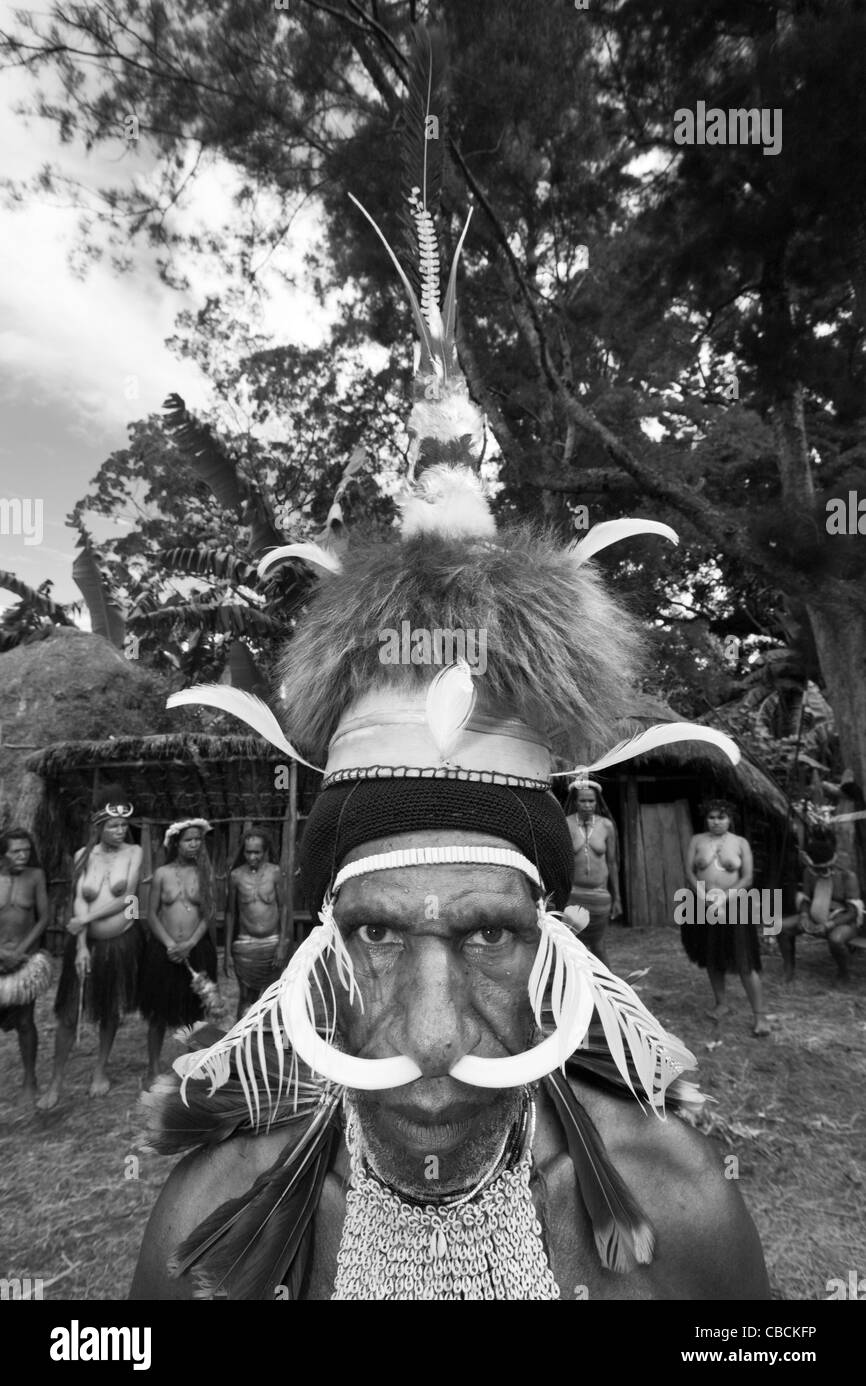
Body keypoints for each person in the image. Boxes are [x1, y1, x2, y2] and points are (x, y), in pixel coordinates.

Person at [129, 83, 768, 1300]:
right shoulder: (211, 1237)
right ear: (316, 954)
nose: (430, 1040)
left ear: (559, 954)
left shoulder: (680, 1214)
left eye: (487, 932)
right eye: (374, 931)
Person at [37, 789, 143, 1110]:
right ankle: (56, 1080)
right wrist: (81, 945)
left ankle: (100, 1069)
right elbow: (79, 899)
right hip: (85, 943)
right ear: (98, 826)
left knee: (110, 1009)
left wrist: (87, 918)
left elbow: (130, 901)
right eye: (113, 825)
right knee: (70, 1012)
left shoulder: (134, 852)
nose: (120, 830)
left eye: (123, 825)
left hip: (120, 943)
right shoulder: (83, 854)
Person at [681, 800, 770, 1037]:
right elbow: (689, 871)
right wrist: (702, 896)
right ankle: (721, 1003)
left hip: (734, 904)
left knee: (744, 960)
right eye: (711, 817)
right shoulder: (697, 840)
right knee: (712, 955)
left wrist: (723, 900)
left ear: (730, 819)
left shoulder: (740, 843)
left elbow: (747, 879)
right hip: (703, 903)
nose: (716, 821)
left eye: (721, 817)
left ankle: (759, 1016)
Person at [141, 819, 219, 1083]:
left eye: (198, 839)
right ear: (176, 843)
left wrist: (190, 943)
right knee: (158, 1012)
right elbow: (151, 914)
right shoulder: (161, 873)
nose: (194, 844)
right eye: (188, 839)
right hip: (164, 951)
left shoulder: (205, 873)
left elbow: (209, 913)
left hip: (196, 949)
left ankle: (190, 1065)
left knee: (194, 1012)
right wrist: (169, 944)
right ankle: (152, 1067)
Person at [0, 828, 50, 1103]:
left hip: (24, 962)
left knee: (25, 1021)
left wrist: (19, 952)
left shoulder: (35, 877)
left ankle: (30, 1079)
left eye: (26, 850)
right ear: (2, 854)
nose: (23, 855)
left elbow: (43, 918)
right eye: (16, 851)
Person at [777, 827, 863, 984]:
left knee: (836, 939)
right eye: (814, 868)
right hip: (814, 915)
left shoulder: (847, 876)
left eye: (820, 868)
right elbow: (805, 898)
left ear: (830, 864)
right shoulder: (810, 872)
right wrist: (804, 915)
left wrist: (829, 924)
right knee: (779, 927)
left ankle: (843, 974)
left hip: (842, 920)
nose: (816, 871)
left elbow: (852, 912)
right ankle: (788, 968)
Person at [225, 828, 290, 1019]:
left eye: (257, 852)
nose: (252, 856)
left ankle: (273, 1045)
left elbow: (285, 908)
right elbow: (231, 914)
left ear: (265, 851)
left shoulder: (275, 873)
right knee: (246, 998)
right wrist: (228, 952)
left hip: (273, 944)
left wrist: (282, 944)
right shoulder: (236, 876)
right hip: (246, 945)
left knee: (275, 998)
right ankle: (242, 1045)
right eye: (248, 852)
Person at [563, 778, 621, 967]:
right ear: (575, 802)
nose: (587, 805)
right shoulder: (566, 824)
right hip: (573, 894)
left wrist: (617, 898)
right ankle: (576, 991)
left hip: (599, 895)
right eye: (583, 801)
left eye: (591, 801)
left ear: (597, 802)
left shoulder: (606, 826)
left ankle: (608, 991)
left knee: (598, 946)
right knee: (572, 946)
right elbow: (560, 863)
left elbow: (612, 863)